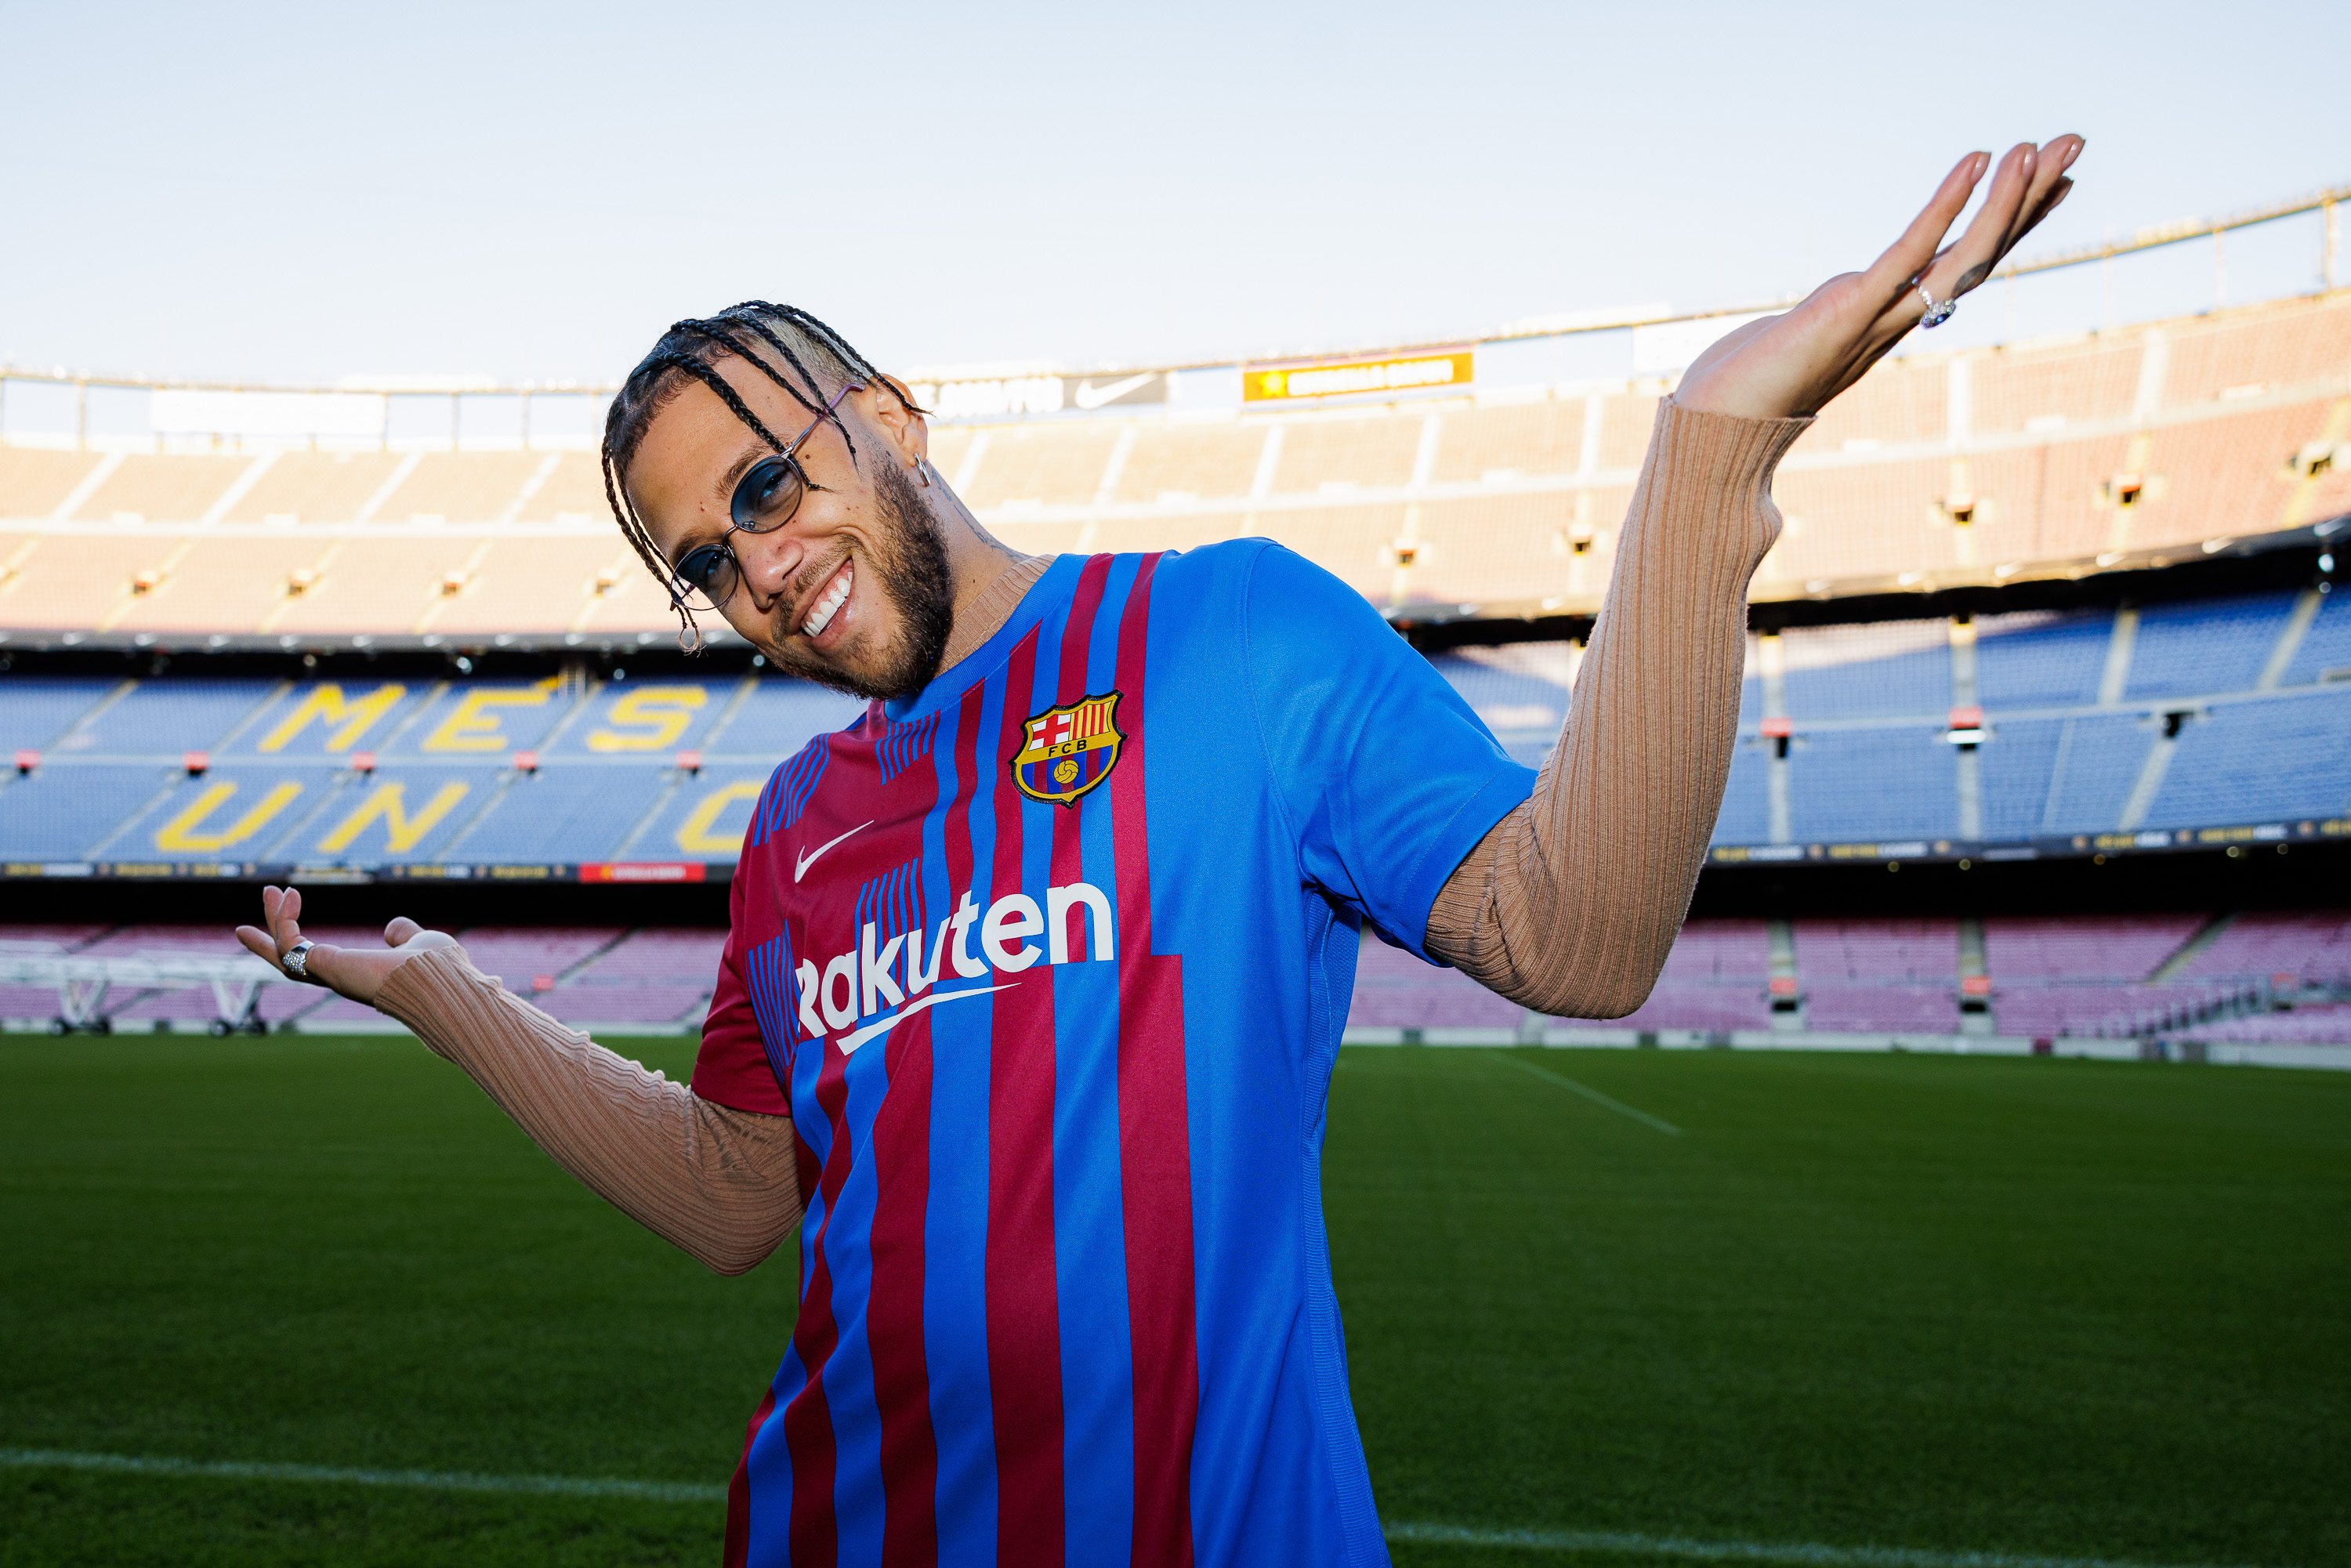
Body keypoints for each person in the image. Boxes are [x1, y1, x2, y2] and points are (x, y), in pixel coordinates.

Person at [239, 139, 2081, 1568]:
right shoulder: (796, 825)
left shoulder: (1236, 637)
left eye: (766, 486)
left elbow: (1576, 932)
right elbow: (739, 1193)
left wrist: (1710, 448)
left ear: (888, 415)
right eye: (704, 564)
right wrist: (441, 990)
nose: (759, 565)